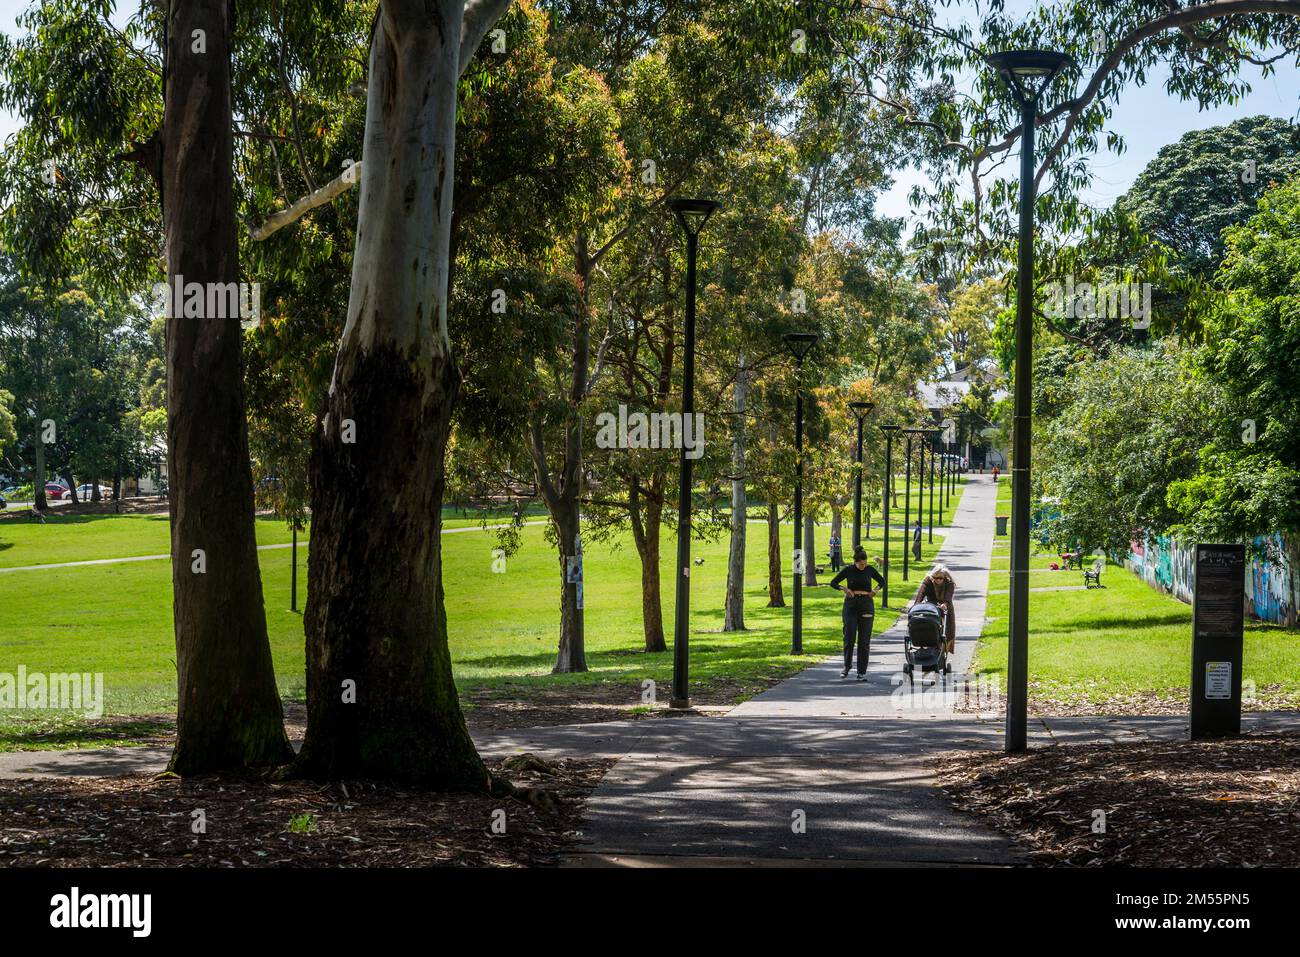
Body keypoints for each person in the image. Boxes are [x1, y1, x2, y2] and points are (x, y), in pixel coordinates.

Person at [829, 547, 885, 680]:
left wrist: (875, 590)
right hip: (851, 605)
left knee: (864, 640)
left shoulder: (870, 569)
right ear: (855, 562)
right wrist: (844, 589)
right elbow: (833, 582)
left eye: (865, 564)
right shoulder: (849, 570)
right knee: (849, 637)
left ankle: (861, 672)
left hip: (866, 604)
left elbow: (882, 581)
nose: (863, 566)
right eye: (860, 564)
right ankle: (847, 666)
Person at [910, 564, 957, 654]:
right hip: (931, 607)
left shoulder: (949, 583)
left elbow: (948, 597)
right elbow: (921, 593)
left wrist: (945, 604)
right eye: (935, 577)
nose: (937, 580)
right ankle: (927, 644)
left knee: (948, 630)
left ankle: (942, 651)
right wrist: (916, 606)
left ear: (945, 577)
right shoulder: (928, 580)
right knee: (926, 624)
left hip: (945, 608)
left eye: (940, 578)